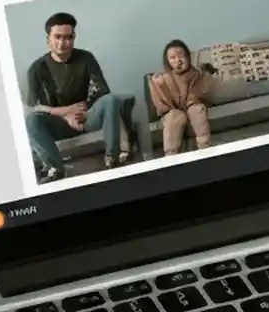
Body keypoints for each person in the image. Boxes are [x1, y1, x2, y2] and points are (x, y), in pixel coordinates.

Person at [24, 12, 134, 183]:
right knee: (32, 120)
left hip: (87, 116)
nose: (62, 43)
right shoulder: (37, 68)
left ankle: (112, 158)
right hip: (57, 122)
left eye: (68, 37)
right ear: (48, 39)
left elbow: (101, 91)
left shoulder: (86, 58)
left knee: (111, 100)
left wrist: (82, 112)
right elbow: (33, 106)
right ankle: (55, 170)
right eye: (57, 37)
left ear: (74, 38)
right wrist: (66, 113)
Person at [148, 39, 216, 156]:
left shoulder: (197, 74)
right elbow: (161, 104)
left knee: (197, 110)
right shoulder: (163, 79)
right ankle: (171, 155)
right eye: (172, 58)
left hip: (193, 105)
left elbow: (202, 93)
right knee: (175, 117)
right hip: (173, 111)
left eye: (181, 56)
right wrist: (159, 86)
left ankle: (205, 148)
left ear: (188, 57)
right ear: (167, 61)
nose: (178, 61)